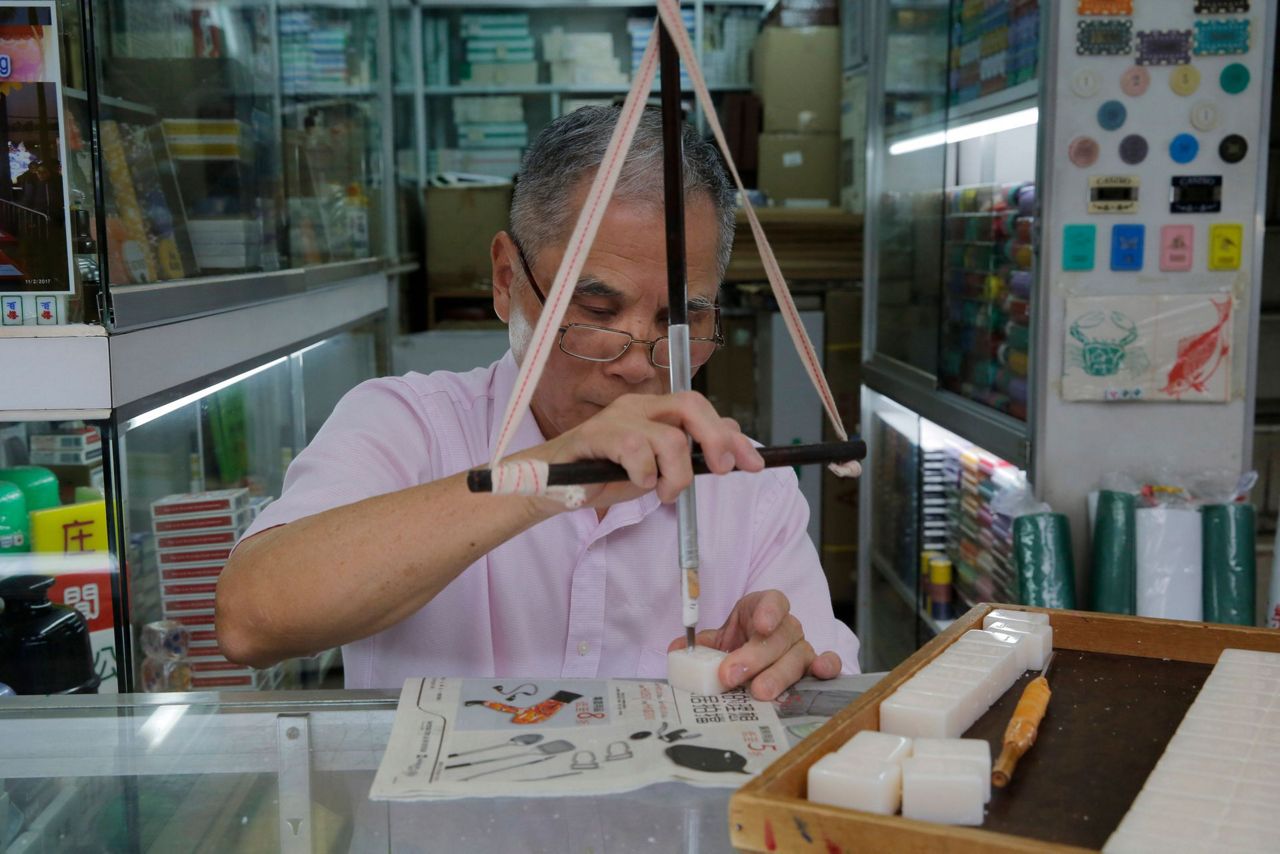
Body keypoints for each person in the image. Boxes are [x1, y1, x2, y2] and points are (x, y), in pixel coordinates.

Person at [217, 106, 859, 700]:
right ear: (507, 281)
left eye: (681, 320)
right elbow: (251, 620)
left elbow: (824, 688)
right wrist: (543, 478)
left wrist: (780, 663)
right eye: (597, 309)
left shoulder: (746, 490)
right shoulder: (409, 426)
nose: (640, 361)